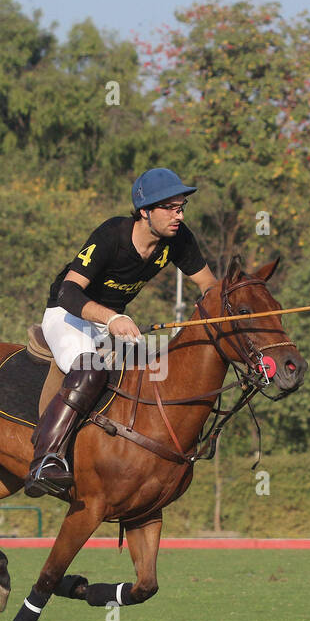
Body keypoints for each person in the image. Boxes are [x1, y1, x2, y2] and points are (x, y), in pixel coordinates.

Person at [24, 168, 219, 497]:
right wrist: (112, 319)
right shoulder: (112, 235)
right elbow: (68, 294)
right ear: (145, 211)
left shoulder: (179, 239)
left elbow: (210, 289)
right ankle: (46, 460)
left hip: (108, 323)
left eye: (181, 207)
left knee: (159, 369)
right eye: (170, 208)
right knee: (89, 370)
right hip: (68, 315)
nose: (179, 215)